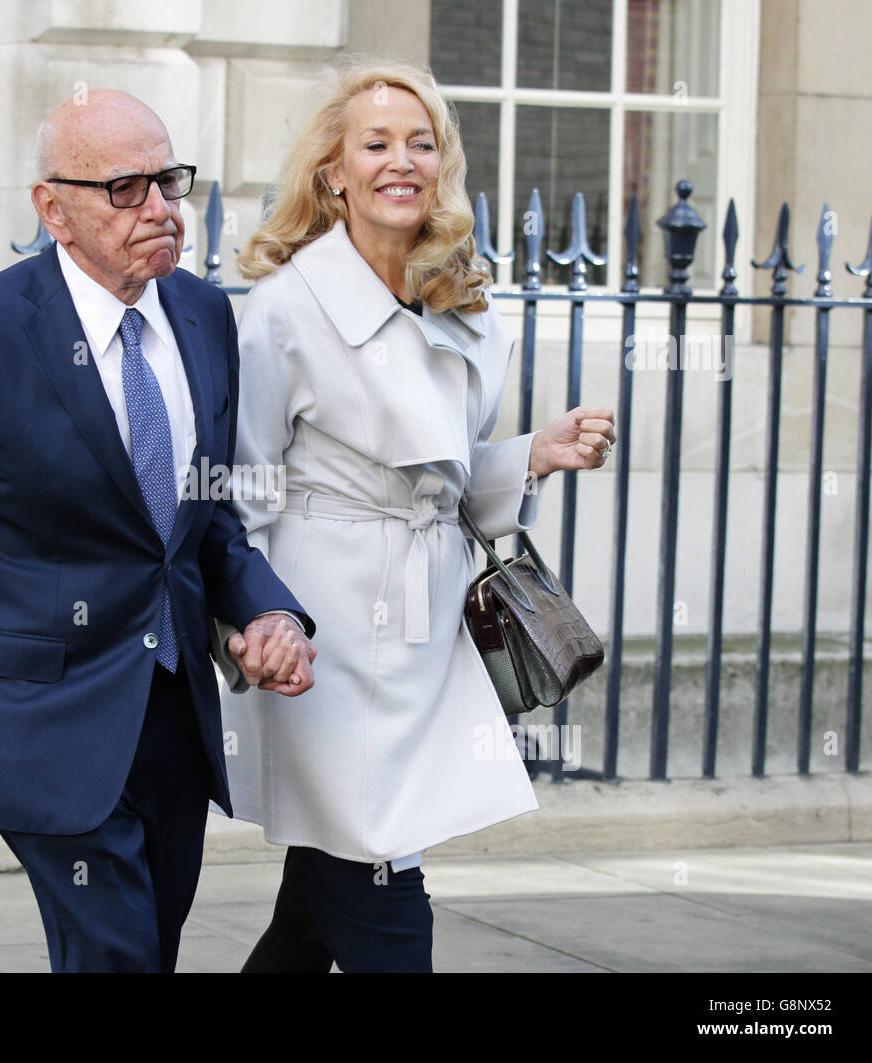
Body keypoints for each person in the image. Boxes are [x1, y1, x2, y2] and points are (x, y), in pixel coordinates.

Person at [0, 89, 318, 973]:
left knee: (144, 947)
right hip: (32, 709)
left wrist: (266, 612)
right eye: (125, 188)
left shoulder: (203, 317)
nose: (159, 208)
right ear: (53, 207)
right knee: (117, 952)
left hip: (168, 707)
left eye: (168, 179)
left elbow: (208, 514)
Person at [212, 60, 616, 973]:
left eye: (421, 142)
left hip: (426, 633)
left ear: (443, 163)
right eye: (377, 143)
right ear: (334, 173)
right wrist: (256, 622)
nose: (403, 160)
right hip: (328, 635)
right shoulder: (286, 310)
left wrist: (532, 452)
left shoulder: (461, 303)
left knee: (322, 896)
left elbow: (435, 480)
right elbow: (244, 487)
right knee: (384, 877)